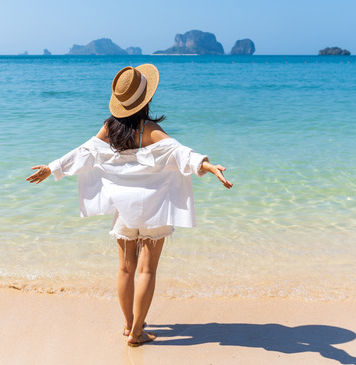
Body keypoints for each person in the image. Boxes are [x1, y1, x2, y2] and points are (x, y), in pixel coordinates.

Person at [26, 64, 232, 347]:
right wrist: (209, 166)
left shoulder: (110, 127)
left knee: (125, 268)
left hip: (124, 208)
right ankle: (137, 332)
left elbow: (84, 151)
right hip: (154, 207)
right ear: (146, 99)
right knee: (147, 270)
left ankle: (128, 325)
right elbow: (181, 153)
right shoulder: (150, 129)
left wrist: (52, 168)